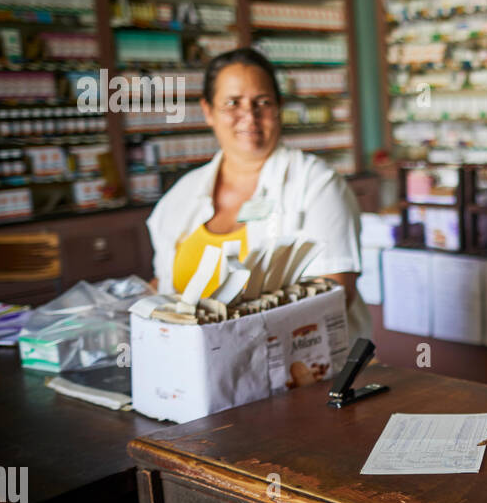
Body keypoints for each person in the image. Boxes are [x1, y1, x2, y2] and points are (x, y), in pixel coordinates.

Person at [145, 47, 371, 342]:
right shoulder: (180, 196)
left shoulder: (316, 184)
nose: (248, 116)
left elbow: (335, 297)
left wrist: (234, 342)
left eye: (261, 102)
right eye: (232, 103)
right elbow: (164, 287)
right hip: (193, 368)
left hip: (298, 370)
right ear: (208, 111)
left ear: (278, 107)